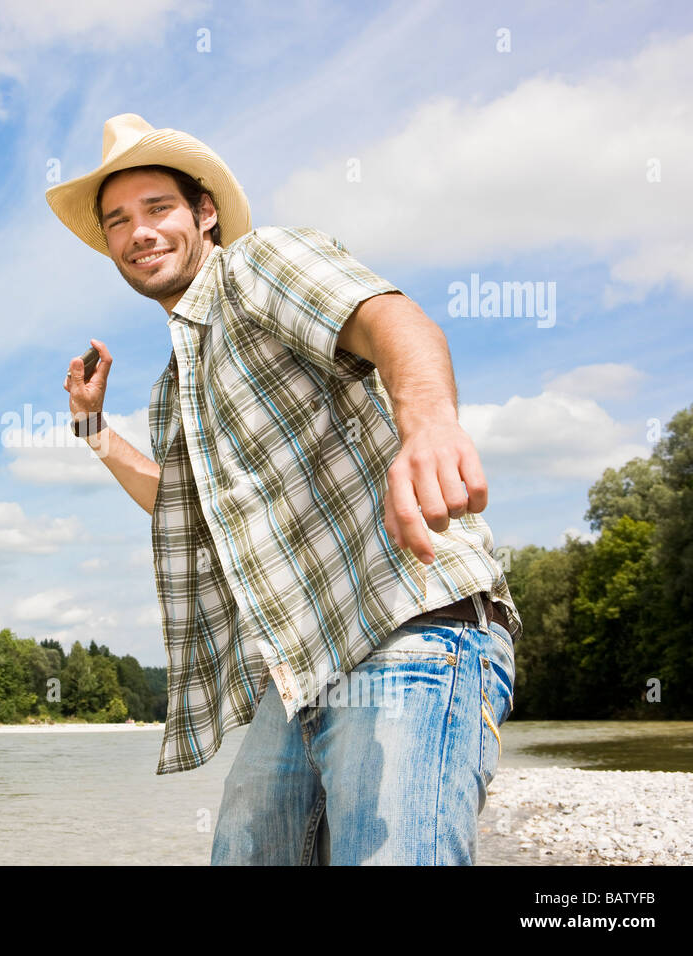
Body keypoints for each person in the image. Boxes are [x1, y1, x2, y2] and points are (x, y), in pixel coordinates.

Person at [45, 113, 520, 865]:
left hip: (407, 629)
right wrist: (94, 429)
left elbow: (390, 318)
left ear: (205, 213)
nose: (139, 232)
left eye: (157, 209)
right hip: (298, 675)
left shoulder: (257, 265)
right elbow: (186, 506)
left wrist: (428, 420)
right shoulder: (177, 385)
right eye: (118, 221)